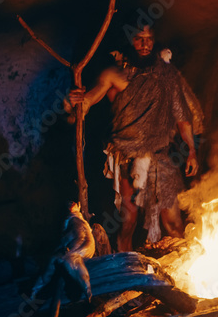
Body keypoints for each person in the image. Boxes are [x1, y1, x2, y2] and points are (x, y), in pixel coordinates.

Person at [65, 25, 203, 252]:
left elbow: (182, 116)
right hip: (127, 156)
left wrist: (191, 150)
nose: (145, 44)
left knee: (173, 221)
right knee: (128, 220)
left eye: (149, 39)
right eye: (139, 39)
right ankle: (125, 271)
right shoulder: (114, 75)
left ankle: (183, 269)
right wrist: (76, 101)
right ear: (129, 40)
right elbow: (88, 101)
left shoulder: (165, 75)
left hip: (160, 156)